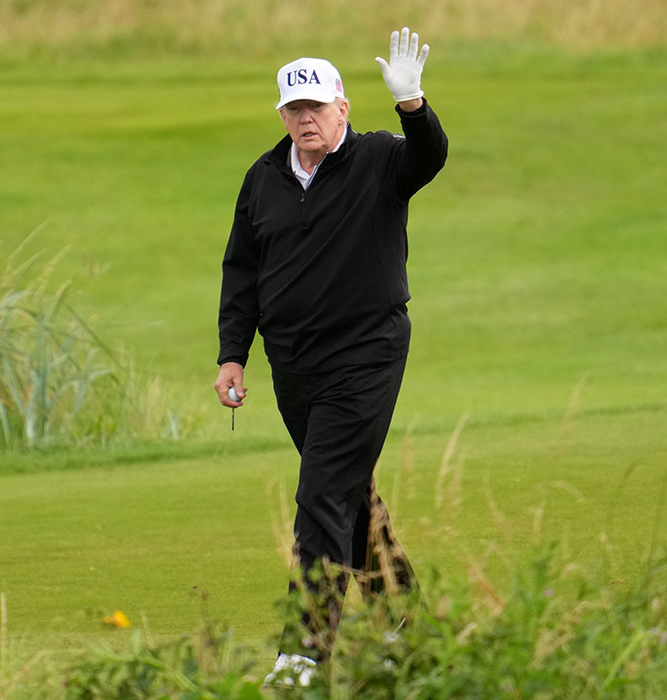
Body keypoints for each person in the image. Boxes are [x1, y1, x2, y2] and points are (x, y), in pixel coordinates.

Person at [213, 27, 448, 686]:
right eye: (294, 108)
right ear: (283, 115)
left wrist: (413, 106)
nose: (306, 118)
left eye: (317, 105)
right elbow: (242, 273)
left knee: (320, 494)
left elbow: (429, 158)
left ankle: (305, 653)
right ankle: (410, 629)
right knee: (349, 497)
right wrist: (234, 354)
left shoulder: (380, 159)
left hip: (366, 351)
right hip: (293, 363)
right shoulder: (264, 178)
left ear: (342, 106)